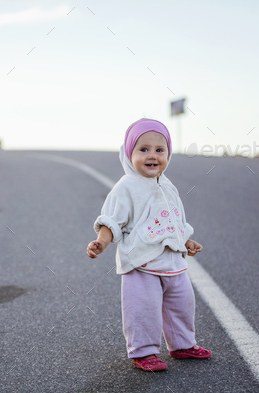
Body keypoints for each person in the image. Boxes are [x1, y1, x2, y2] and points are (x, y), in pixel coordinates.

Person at [86, 118, 211, 372]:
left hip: (173, 261)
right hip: (141, 263)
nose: (152, 155)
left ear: (168, 154)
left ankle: (182, 344)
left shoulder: (167, 185)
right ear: (129, 153)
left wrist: (185, 241)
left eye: (159, 150)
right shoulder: (126, 187)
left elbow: (175, 219)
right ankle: (144, 352)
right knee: (143, 309)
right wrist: (102, 242)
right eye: (143, 149)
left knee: (182, 303)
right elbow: (113, 221)